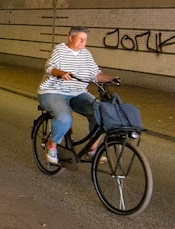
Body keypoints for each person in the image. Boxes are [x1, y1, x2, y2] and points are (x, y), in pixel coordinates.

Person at [37, 26, 118, 166]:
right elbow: (50, 67)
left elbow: (95, 74)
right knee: (65, 118)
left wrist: (110, 79)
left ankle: (92, 150)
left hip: (77, 93)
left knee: (100, 113)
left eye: (85, 40)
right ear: (70, 38)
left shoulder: (86, 54)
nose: (83, 42)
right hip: (53, 92)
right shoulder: (60, 50)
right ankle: (52, 145)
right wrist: (60, 73)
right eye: (80, 39)